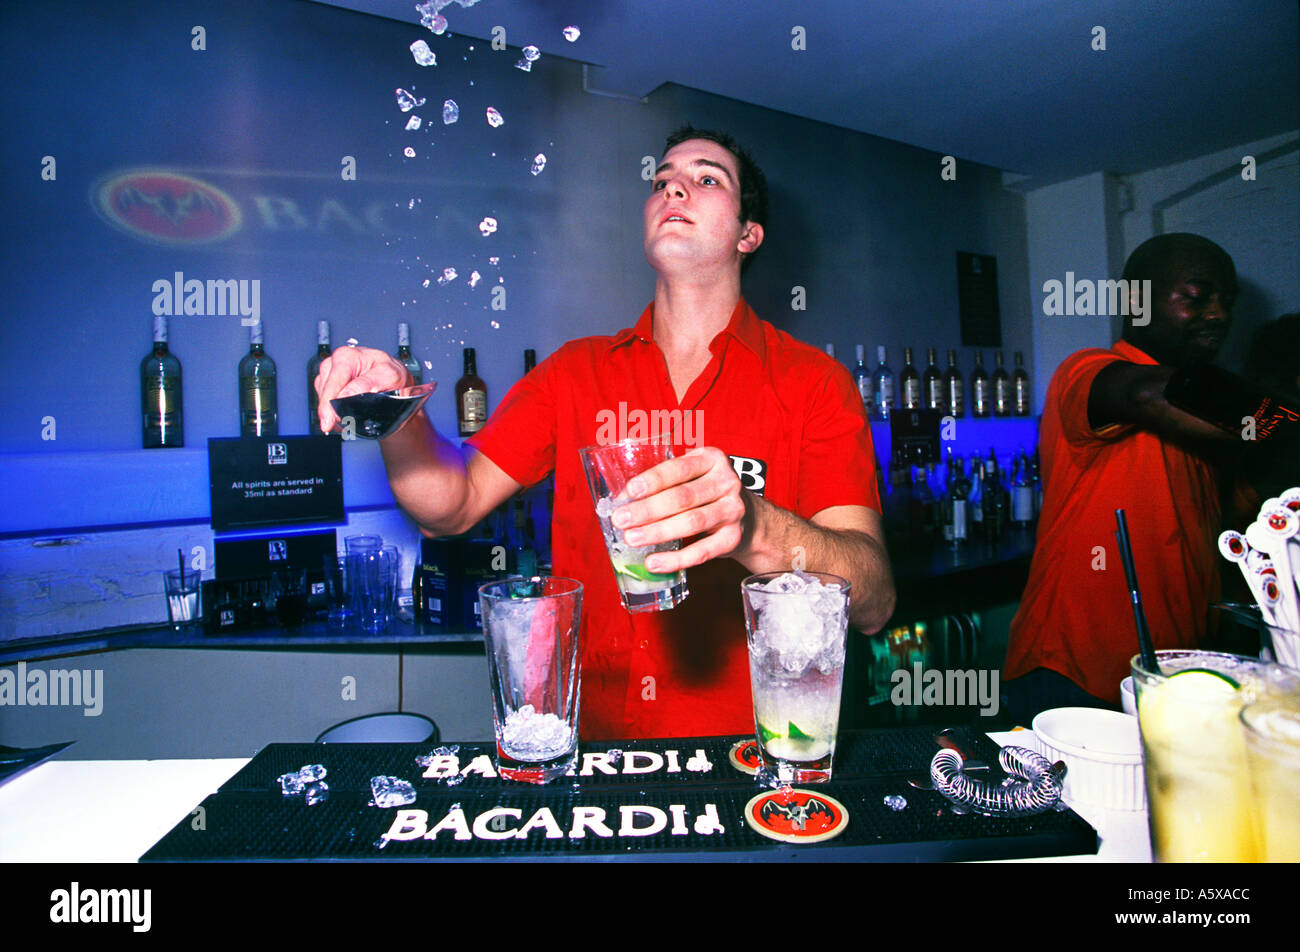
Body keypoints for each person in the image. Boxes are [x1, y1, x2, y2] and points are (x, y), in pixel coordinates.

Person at [315, 126, 896, 739]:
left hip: (756, 756)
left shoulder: (814, 383)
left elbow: (875, 602)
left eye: (706, 179)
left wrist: (754, 525)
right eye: (662, 180)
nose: (674, 187)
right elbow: (450, 506)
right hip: (596, 752)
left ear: (749, 234)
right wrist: (395, 409)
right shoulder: (575, 372)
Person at [1002, 233, 1241, 723]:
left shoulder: (1209, 431)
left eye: (1226, 301)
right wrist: (1285, 419)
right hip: (1077, 674)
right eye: (1197, 298)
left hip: (1171, 683)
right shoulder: (1088, 369)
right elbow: (1147, 397)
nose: (1219, 314)